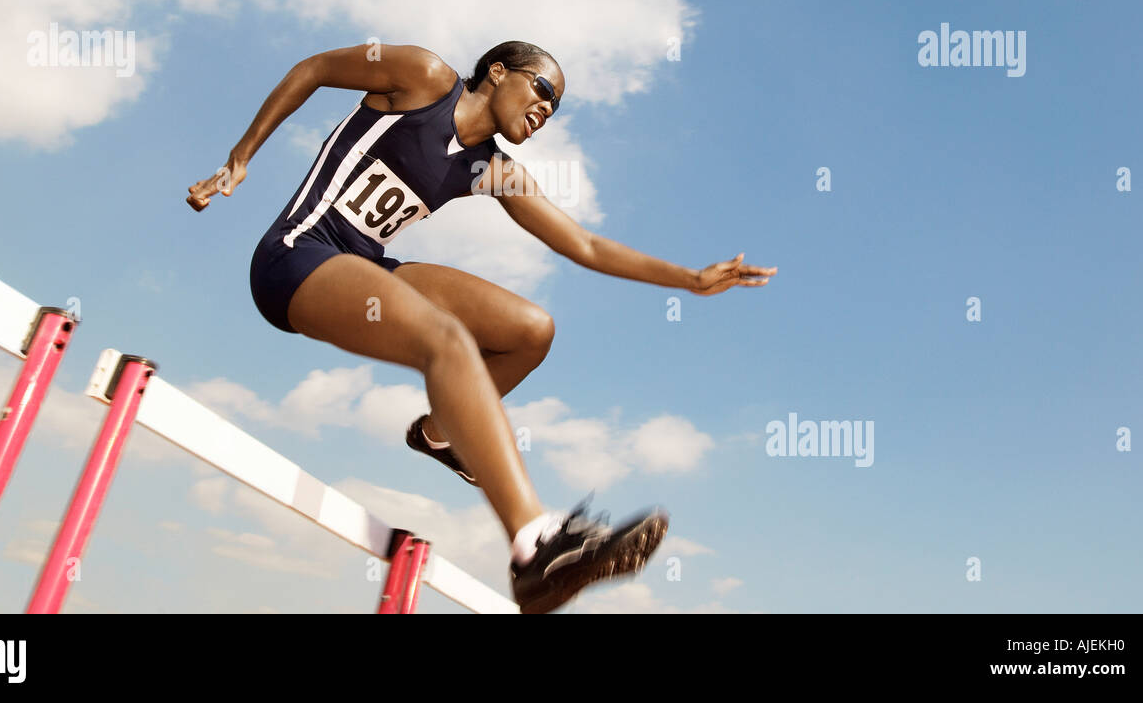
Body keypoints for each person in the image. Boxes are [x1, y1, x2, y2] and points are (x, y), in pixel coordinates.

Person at [187, 40, 776, 613]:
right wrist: (240, 157)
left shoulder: (492, 169)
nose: (545, 111)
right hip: (296, 256)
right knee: (446, 338)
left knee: (530, 329)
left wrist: (691, 280)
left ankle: (441, 433)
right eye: (543, 90)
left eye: (555, 108)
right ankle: (534, 548)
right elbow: (313, 67)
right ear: (498, 72)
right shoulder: (422, 77)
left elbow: (585, 244)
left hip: (364, 265)